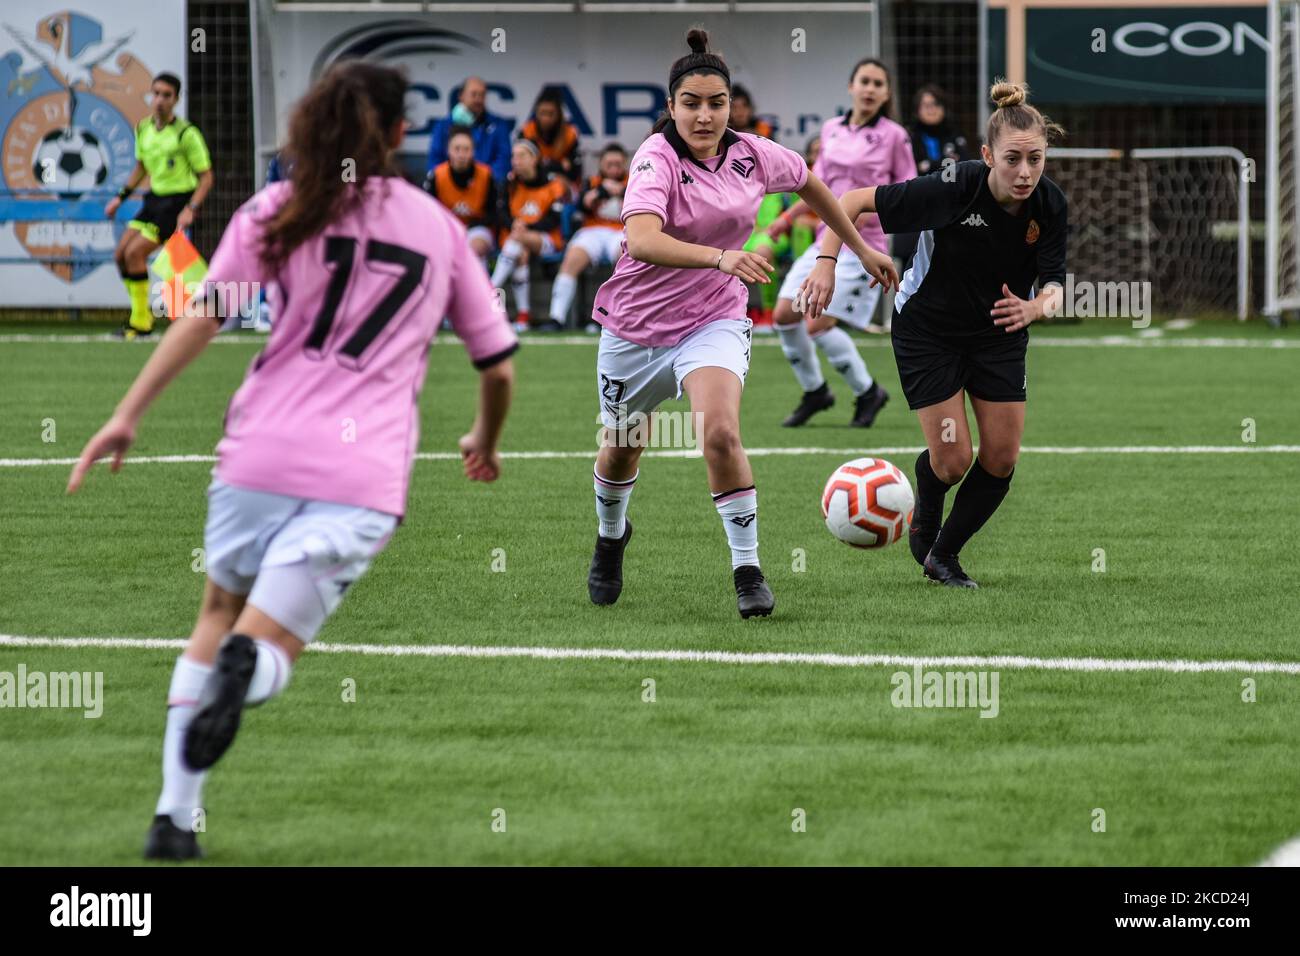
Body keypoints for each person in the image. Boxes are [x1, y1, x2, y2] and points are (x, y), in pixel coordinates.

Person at [67, 61, 517, 860]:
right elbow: (498, 363)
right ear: (402, 135)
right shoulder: (436, 226)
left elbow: (204, 318)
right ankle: (251, 669)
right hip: (360, 475)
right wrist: (484, 438)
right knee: (265, 645)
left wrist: (126, 415)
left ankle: (174, 817)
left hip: (257, 455)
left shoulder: (278, 207)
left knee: (214, 616)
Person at [586, 29, 898, 619]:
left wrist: (852, 248)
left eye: (716, 103)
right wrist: (722, 257)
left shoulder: (754, 153)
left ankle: (748, 570)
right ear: (671, 105)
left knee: (721, 433)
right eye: (691, 103)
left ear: (733, 105)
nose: (704, 116)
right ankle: (610, 537)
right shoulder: (655, 159)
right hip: (633, 327)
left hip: (712, 318)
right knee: (622, 449)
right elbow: (643, 240)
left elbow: (812, 185)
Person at [802, 79, 1067, 589]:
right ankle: (928, 500)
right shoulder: (953, 185)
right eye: (1013, 159)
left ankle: (943, 555)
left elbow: (1054, 283)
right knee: (952, 461)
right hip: (930, 332)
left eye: (1036, 158)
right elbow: (853, 199)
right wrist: (827, 263)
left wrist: (1036, 306)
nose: (1025, 171)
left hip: (999, 332)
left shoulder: (1050, 205)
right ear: (988, 155)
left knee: (1002, 457)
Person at [765, 58, 916, 428]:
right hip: (825, 245)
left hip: (864, 250)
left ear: (886, 94)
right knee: (785, 315)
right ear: (851, 87)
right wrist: (785, 220)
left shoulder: (895, 136)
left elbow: (908, 192)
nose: (869, 89)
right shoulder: (831, 129)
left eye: (878, 83)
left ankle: (867, 393)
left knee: (816, 324)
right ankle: (816, 391)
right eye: (864, 81)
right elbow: (818, 189)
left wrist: (867, 212)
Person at [105, 72, 214, 339]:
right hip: (153, 200)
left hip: (176, 202)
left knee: (135, 254)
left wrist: (191, 208)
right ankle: (141, 315)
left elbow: (207, 177)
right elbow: (141, 166)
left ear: (176, 99)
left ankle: (141, 323)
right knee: (120, 255)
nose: (160, 100)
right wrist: (121, 196)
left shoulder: (187, 134)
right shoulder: (143, 128)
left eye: (166, 95)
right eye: (156, 94)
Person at [545, 143, 628, 331]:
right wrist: (601, 191)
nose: (614, 167)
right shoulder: (591, 182)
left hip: (621, 231)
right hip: (593, 231)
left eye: (618, 163)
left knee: (627, 259)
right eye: (609, 163)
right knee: (572, 259)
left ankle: (611, 319)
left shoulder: (633, 180)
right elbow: (582, 205)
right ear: (601, 164)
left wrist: (621, 191)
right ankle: (556, 318)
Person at [491, 139, 570, 331]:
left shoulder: (553, 184)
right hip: (516, 240)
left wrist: (526, 226)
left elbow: (554, 219)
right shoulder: (509, 183)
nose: (516, 161)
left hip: (546, 239)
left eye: (521, 156)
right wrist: (515, 225)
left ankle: (492, 287)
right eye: (514, 156)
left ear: (534, 159)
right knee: (521, 253)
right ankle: (523, 316)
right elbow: (500, 214)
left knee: (518, 241)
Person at [895, 84, 972, 268]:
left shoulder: (956, 136)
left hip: (949, 210)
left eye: (936, 104)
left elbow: (965, 170)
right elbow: (910, 171)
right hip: (916, 208)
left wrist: (929, 165)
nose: (931, 110)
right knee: (911, 267)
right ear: (917, 109)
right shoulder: (908, 136)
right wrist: (944, 163)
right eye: (926, 105)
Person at [424, 124, 501, 270]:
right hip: (446, 228)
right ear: (449, 151)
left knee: (474, 248)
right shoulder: (436, 175)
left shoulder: (486, 174)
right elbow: (428, 212)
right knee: (440, 249)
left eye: (466, 149)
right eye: (457, 149)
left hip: (478, 228)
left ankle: (479, 291)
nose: (461, 154)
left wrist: (469, 226)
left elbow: (494, 213)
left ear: (473, 152)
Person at [426, 76, 512, 183]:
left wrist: (483, 182)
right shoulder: (443, 126)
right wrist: (449, 182)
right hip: (450, 187)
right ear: (461, 96)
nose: (478, 99)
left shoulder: (498, 125)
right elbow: (435, 160)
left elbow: (503, 160)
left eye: (482, 95)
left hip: (486, 188)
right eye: (474, 94)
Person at [517, 86, 583, 187]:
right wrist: (559, 165)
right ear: (536, 113)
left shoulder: (570, 134)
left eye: (551, 114)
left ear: (559, 114)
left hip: (561, 187)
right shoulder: (527, 131)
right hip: (532, 187)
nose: (546, 118)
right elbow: (521, 167)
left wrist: (542, 164)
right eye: (542, 113)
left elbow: (574, 172)